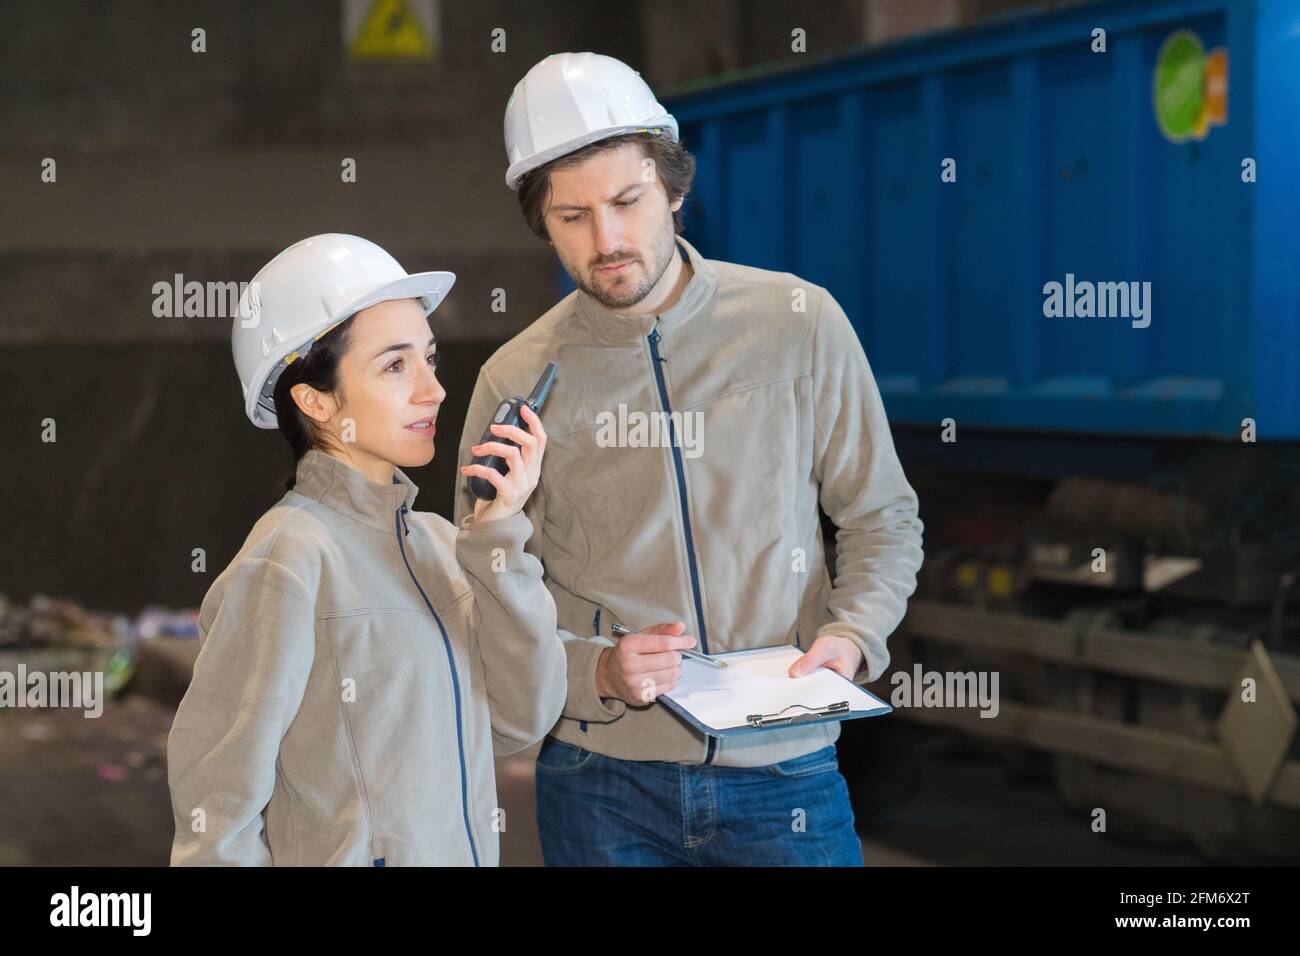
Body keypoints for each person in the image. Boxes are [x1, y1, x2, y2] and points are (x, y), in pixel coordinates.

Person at [454, 53, 926, 866]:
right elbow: (486, 599)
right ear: (542, 222)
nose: (606, 241)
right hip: (600, 785)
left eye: (627, 202)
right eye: (572, 217)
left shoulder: (798, 323)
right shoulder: (516, 381)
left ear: (674, 188)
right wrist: (594, 671)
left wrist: (853, 637)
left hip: (787, 774)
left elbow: (882, 515)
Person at [168, 233, 565, 866]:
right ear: (316, 400)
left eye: (430, 359)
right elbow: (216, 812)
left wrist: (500, 537)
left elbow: (524, 718)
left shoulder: (442, 544)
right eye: (395, 365)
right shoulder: (287, 561)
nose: (433, 390)